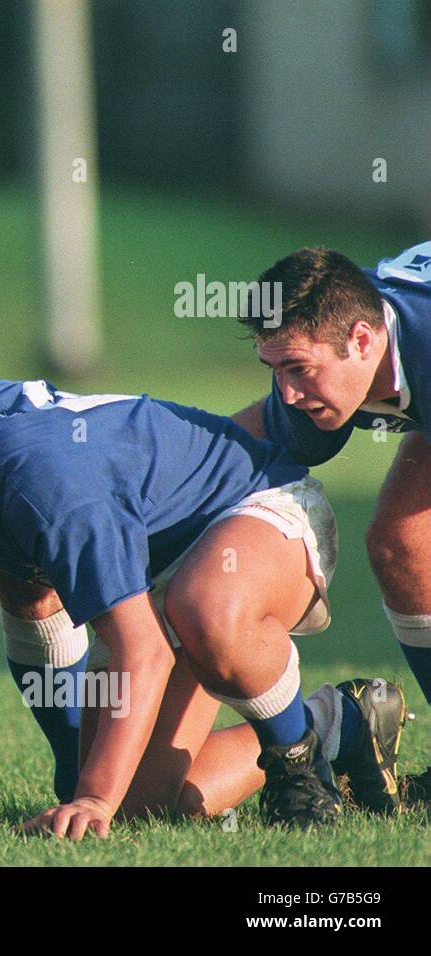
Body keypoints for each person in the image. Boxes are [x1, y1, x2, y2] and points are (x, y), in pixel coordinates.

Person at [0, 321, 405, 836]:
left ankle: (297, 765)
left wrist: (91, 799)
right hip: (163, 565)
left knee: (202, 608)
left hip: (262, 505)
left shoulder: (43, 488)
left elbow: (144, 650)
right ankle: (341, 721)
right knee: (140, 803)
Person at [232, 242, 431, 804]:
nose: (287, 392)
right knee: (402, 543)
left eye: (299, 370)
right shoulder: (339, 334)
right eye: (275, 369)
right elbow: (246, 444)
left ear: (363, 341)